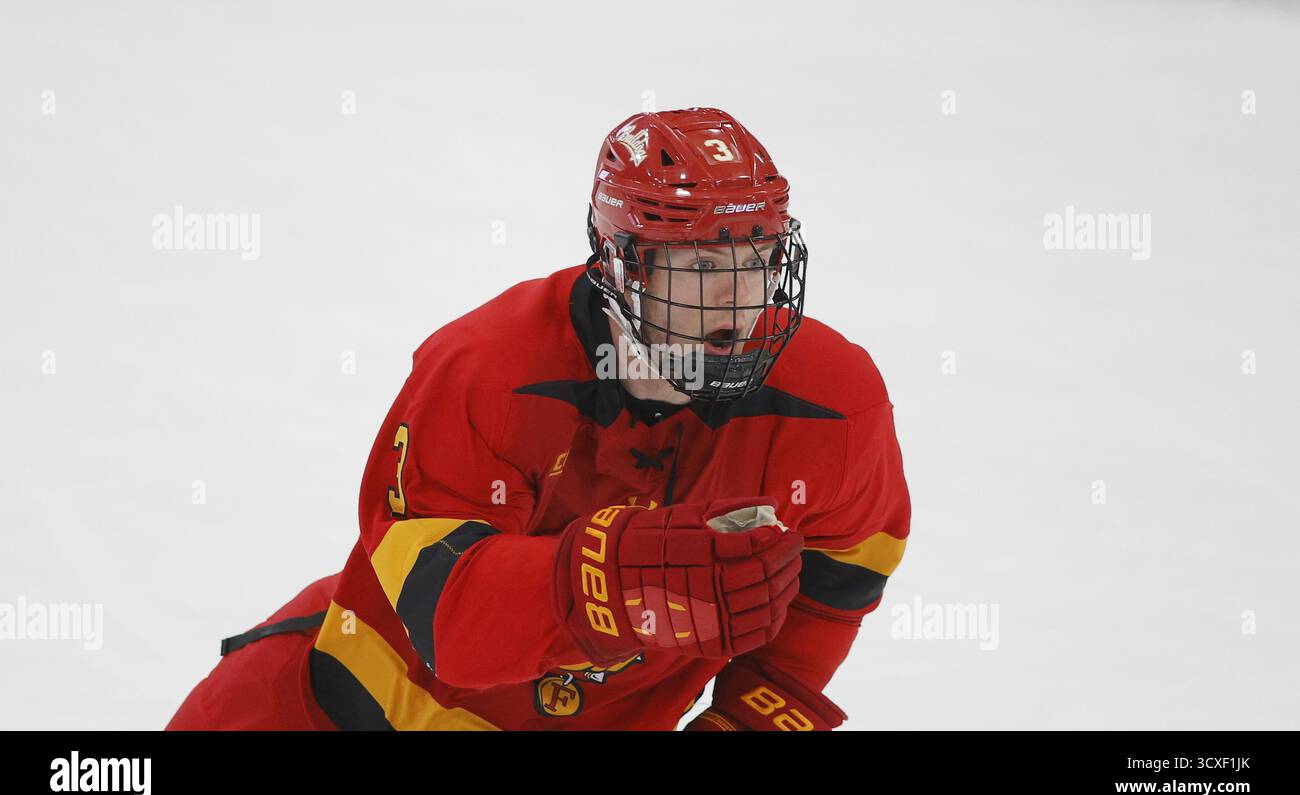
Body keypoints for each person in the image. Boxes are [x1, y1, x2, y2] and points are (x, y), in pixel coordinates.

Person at [166, 107, 911, 731]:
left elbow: (841, 574)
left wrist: (756, 712)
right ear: (622, 264)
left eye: (757, 260)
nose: (738, 299)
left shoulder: (835, 401)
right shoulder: (486, 371)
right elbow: (444, 616)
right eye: (703, 267)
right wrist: (620, 574)